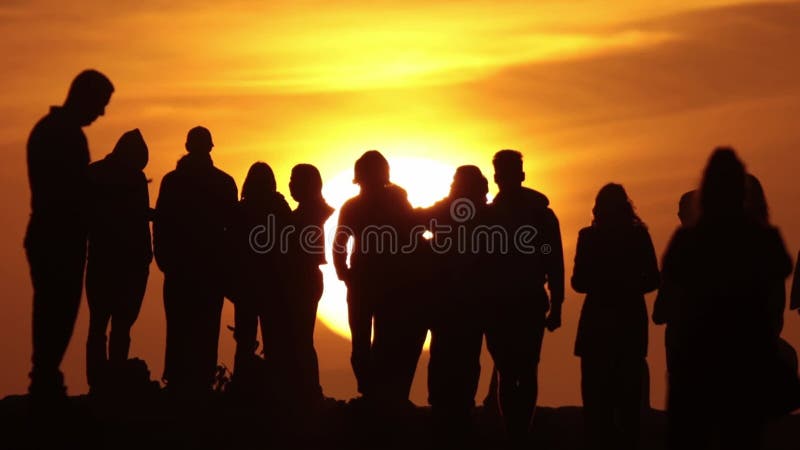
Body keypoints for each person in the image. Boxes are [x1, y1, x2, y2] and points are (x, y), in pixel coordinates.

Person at [661, 148, 792, 450]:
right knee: (741, 435)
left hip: (697, 354)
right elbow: (780, 271)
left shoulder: (689, 238)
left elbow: (671, 281)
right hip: (745, 354)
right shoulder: (762, 237)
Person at [25, 70, 114, 399]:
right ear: (85, 97)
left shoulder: (50, 130)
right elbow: (67, 192)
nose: (102, 112)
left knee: (55, 311)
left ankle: (46, 376)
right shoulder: (63, 135)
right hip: (57, 236)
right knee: (56, 311)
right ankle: (44, 380)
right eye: (101, 104)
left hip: (57, 234)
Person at [484, 149, 565, 444]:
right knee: (510, 370)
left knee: (524, 369)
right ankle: (515, 434)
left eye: (511, 171)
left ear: (520, 175)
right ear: (498, 177)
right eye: (504, 172)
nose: (507, 177)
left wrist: (557, 305)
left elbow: (553, 260)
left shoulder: (541, 216)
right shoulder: (488, 216)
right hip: (500, 304)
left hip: (526, 301)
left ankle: (518, 435)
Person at [572, 183, 660, 450]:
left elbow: (578, 282)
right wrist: (629, 286)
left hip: (596, 325)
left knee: (596, 405)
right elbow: (653, 278)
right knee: (629, 404)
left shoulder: (588, 236)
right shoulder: (639, 236)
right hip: (630, 323)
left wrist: (603, 284)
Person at [154, 127, 238, 397]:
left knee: (182, 326)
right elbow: (232, 230)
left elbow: (162, 224)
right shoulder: (223, 182)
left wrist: (164, 259)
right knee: (203, 325)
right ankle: (196, 381)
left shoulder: (173, 181)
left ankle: (183, 380)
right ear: (210, 148)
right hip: (202, 268)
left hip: (187, 267)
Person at [332, 150, 417, 401]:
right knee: (364, 343)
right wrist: (343, 272)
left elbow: (409, 233)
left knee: (378, 341)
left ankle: (376, 394)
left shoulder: (395, 200)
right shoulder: (354, 206)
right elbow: (340, 242)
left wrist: (344, 272)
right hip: (365, 281)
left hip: (382, 281)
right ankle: (371, 392)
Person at [418, 165, 489, 442]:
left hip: (452, 300)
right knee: (464, 358)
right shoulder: (483, 215)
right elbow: (416, 223)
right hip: (461, 300)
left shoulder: (448, 210)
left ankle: (446, 412)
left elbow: (415, 222)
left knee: (447, 357)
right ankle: (455, 413)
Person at [85, 129, 153, 393]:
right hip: (124, 263)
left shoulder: (94, 173)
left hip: (106, 261)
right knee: (118, 326)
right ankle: (110, 379)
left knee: (101, 326)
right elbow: (137, 218)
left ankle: (101, 381)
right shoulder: (131, 178)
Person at [226, 162, 291, 393]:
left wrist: (231, 285)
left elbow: (230, 248)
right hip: (272, 286)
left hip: (247, 286)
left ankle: (242, 386)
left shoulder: (240, 210)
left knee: (244, 341)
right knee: (273, 340)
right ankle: (276, 390)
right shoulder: (280, 208)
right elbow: (289, 247)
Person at [286, 164, 334, 406]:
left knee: (301, 339)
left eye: (294, 179)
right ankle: (306, 391)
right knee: (300, 339)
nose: (290, 184)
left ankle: (308, 392)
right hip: (306, 278)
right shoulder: (307, 212)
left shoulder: (308, 213)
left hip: (303, 279)